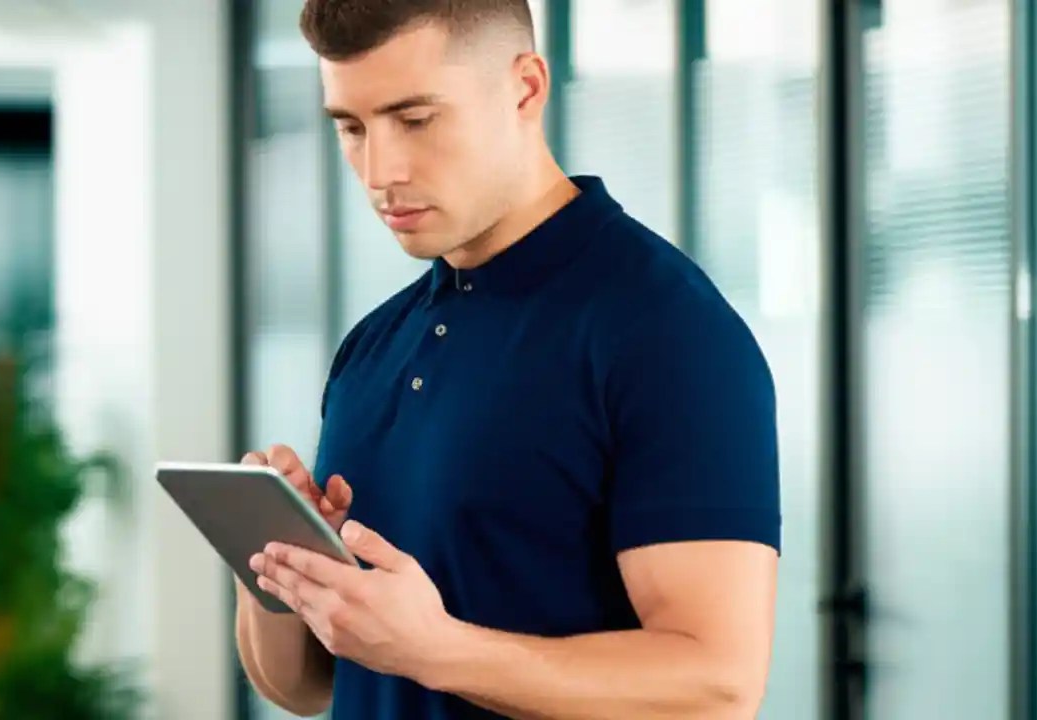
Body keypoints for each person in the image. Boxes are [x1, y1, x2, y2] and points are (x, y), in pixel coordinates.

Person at [234, 1, 781, 718]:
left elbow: (716, 688)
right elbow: (306, 687)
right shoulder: (374, 345)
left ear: (525, 87)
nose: (379, 169)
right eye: (351, 127)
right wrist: (276, 563)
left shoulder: (667, 331)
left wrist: (435, 649)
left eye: (416, 119)